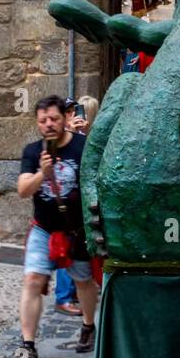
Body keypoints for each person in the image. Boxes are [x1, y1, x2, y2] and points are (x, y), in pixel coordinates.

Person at [5, 95, 98, 358]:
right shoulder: (33, 152)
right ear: (38, 123)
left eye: (54, 119)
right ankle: (27, 347)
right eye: (43, 120)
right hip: (44, 229)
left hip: (76, 229)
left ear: (65, 119)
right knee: (32, 280)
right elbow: (23, 189)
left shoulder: (83, 147)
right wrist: (41, 175)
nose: (49, 125)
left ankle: (88, 326)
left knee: (83, 281)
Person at [54, 97, 100, 317]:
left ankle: (75, 292)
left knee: (77, 251)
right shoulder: (58, 139)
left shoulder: (85, 138)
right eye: (69, 112)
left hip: (79, 203)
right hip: (65, 205)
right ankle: (63, 297)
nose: (74, 116)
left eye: (76, 111)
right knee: (65, 250)